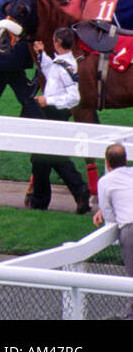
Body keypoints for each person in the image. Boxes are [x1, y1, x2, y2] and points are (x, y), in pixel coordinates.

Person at [26, 27, 93, 213]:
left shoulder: (66, 67)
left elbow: (74, 98)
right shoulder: (61, 63)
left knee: (43, 155)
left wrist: (48, 100)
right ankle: (71, 193)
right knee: (43, 155)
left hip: (55, 112)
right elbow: (50, 71)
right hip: (51, 111)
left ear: (57, 42)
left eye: (53, 40)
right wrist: (42, 54)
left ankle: (44, 199)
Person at [93, 143, 133, 317]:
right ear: (126, 160)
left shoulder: (105, 181)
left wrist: (104, 211)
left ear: (107, 164)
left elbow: (109, 217)